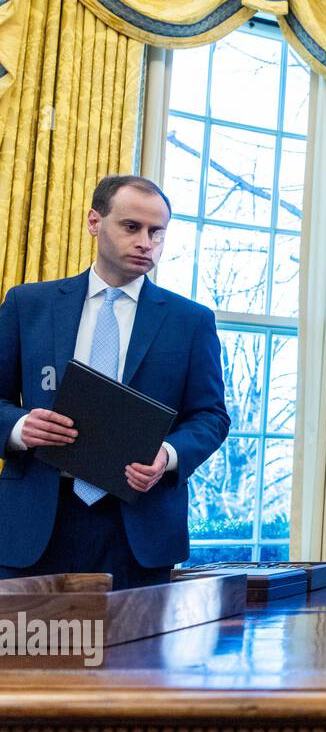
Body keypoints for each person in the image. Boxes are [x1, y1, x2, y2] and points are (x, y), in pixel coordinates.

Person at [0, 175, 230, 588]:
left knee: (133, 655)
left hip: (140, 531)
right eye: (132, 227)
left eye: (157, 232)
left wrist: (168, 454)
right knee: (27, 652)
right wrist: (19, 428)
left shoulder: (191, 322)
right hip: (33, 524)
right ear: (94, 221)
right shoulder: (27, 305)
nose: (147, 242)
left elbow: (210, 416)